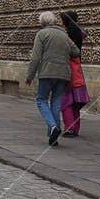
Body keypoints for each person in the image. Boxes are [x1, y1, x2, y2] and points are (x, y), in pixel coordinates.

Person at [24, 10, 78, 146]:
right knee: (56, 102)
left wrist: (29, 76)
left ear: (42, 22)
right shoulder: (64, 34)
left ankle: (53, 127)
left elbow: (35, 57)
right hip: (63, 74)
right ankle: (53, 136)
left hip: (47, 72)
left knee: (41, 100)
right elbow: (76, 51)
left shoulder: (41, 34)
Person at [59, 11, 89, 136]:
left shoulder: (66, 36)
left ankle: (69, 127)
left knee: (66, 100)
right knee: (75, 101)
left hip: (68, 67)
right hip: (77, 67)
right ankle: (75, 128)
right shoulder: (78, 33)